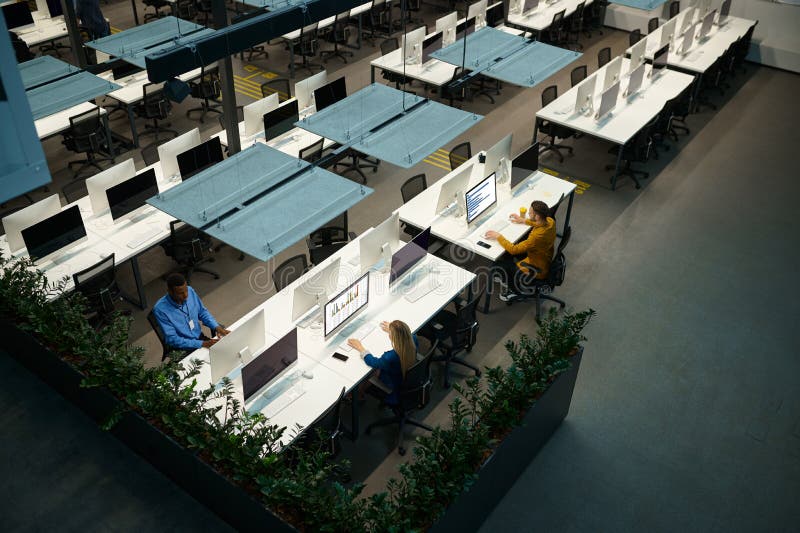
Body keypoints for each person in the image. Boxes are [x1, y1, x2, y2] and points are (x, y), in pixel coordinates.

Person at [484, 199, 556, 302]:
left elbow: (514, 250)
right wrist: (523, 220)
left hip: (536, 268)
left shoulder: (536, 237)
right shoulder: (550, 221)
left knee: (498, 264)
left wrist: (498, 236)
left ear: (537, 216)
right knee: (508, 252)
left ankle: (514, 291)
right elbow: (539, 224)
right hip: (544, 258)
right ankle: (509, 277)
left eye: (530, 212)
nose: (528, 214)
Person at [153, 273, 229, 355]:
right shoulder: (160, 310)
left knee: (224, 352)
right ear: (170, 292)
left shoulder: (190, 291)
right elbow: (173, 339)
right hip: (182, 348)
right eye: (180, 293)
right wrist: (201, 344)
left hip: (199, 338)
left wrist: (216, 327)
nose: (186, 295)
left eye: (186, 290)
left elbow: (202, 312)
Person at [347, 320, 418, 404]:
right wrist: (394, 329)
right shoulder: (413, 339)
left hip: (393, 383)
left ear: (392, 337)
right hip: (404, 376)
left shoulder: (390, 357)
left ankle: (357, 394)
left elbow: (373, 362)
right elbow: (403, 334)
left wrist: (360, 348)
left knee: (372, 371)